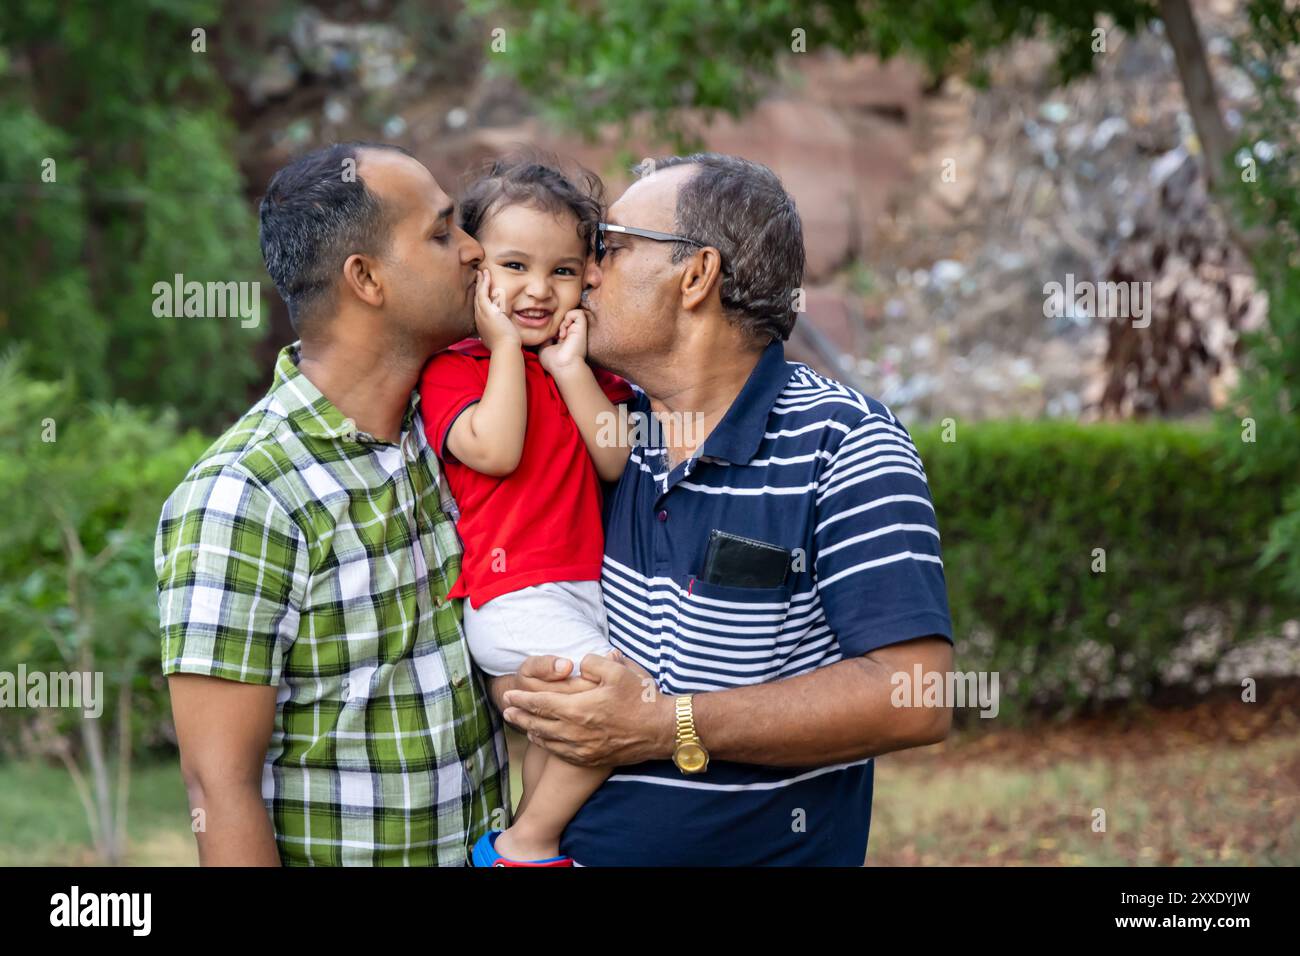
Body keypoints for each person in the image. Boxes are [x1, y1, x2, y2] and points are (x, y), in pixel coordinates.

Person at [491, 153, 956, 865]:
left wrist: (663, 725)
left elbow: (915, 695)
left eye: (610, 246)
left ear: (697, 275)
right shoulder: (606, 431)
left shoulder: (844, 443)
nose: (586, 272)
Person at [155, 142, 509, 866]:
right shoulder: (245, 495)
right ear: (366, 279)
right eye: (443, 233)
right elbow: (218, 787)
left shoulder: (450, 435)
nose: (477, 251)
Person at [418, 156, 635, 866]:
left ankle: (536, 845)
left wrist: (571, 371)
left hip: (582, 591)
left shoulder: (586, 368)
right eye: (513, 266)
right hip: (512, 595)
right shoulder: (457, 367)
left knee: (563, 737)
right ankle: (522, 848)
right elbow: (498, 449)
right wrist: (506, 345)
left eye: (564, 270)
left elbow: (614, 458)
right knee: (623, 703)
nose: (538, 290)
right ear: (476, 268)